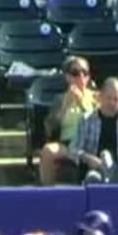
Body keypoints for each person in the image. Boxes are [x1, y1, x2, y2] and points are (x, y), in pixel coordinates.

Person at [72, 77, 118, 182]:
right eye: (108, 98)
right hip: (94, 171)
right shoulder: (86, 120)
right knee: (93, 179)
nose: (111, 102)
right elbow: (74, 149)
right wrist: (88, 158)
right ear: (100, 97)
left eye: (116, 99)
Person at [37, 55, 96, 185]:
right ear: (68, 77)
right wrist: (65, 106)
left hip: (91, 142)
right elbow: (50, 128)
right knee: (48, 151)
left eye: (84, 73)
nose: (80, 77)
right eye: (75, 73)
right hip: (68, 143)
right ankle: (47, 193)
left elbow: (98, 120)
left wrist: (82, 103)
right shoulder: (60, 99)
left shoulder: (96, 97)